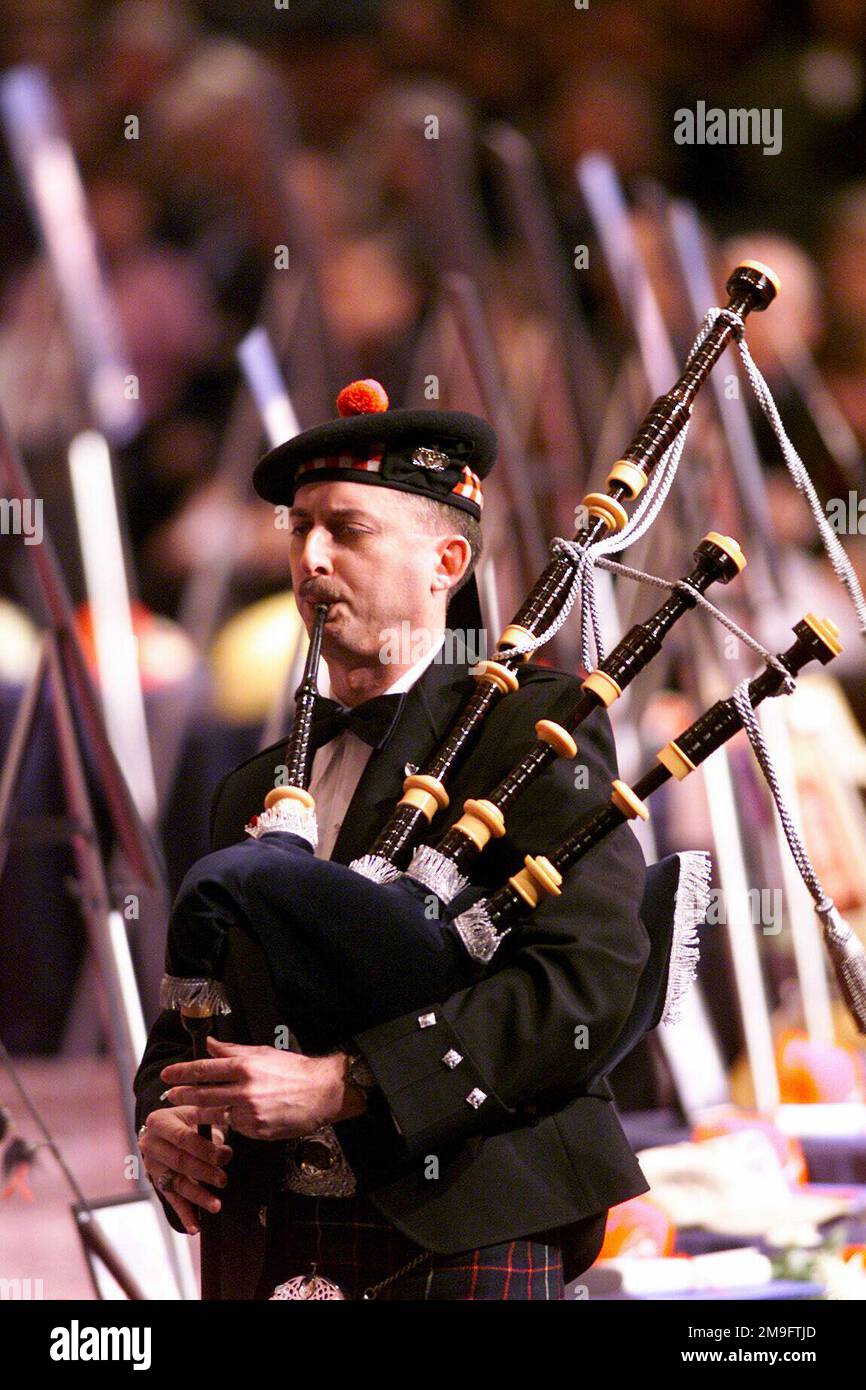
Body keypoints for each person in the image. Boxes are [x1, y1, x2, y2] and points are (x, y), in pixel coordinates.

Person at [134, 381, 651, 1300]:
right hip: (269, 1240)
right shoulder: (249, 790)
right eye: (298, 529)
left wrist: (347, 1085)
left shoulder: (535, 736)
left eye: (348, 530)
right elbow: (193, 1013)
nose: (311, 559)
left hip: (466, 1222)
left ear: (445, 560)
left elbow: (584, 986)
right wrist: (165, 1124)